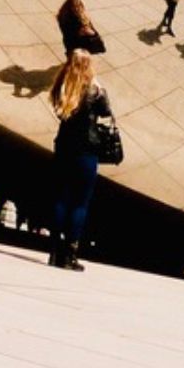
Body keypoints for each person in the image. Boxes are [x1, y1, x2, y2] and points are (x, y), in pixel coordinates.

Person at [48, 48, 113, 272]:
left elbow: (59, 109)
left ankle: (55, 252)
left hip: (64, 145)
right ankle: (70, 254)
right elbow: (106, 111)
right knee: (80, 203)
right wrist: (97, 84)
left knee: (61, 198)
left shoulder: (61, 86)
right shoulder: (95, 89)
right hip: (86, 148)